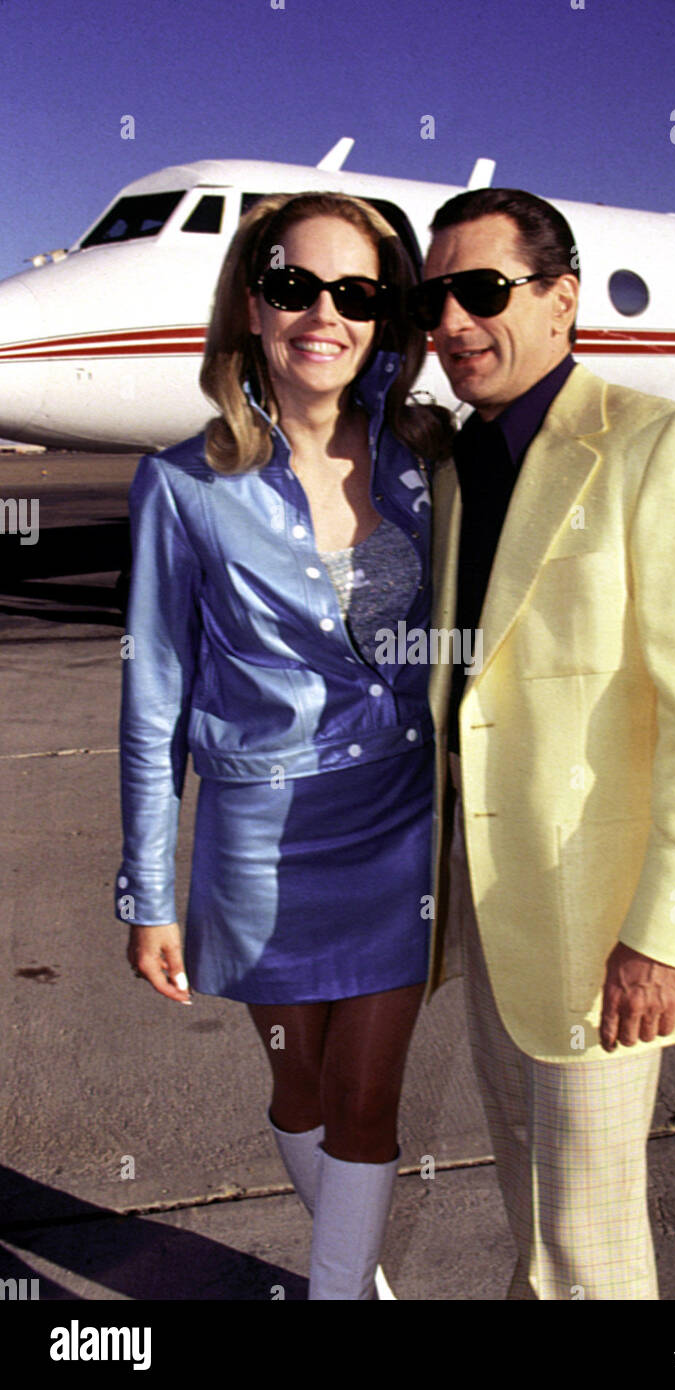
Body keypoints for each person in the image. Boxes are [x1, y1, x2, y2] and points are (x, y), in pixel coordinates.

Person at [411, 188, 675, 1300]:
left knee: (591, 1245)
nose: (453, 323)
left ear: (563, 300)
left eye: (483, 291)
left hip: (600, 929)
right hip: (490, 902)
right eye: (434, 300)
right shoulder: (460, 467)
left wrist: (666, 935)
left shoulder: (664, 447)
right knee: (534, 1210)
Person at [114, 190, 452, 1300]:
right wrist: (146, 892)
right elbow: (155, 695)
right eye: (296, 285)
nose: (325, 312)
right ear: (253, 304)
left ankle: (335, 1289)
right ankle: (354, 1274)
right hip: (260, 837)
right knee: (297, 1087)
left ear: (383, 316)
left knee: (367, 1097)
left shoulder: (425, 457)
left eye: (357, 292)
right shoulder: (181, 485)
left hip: (397, 823)